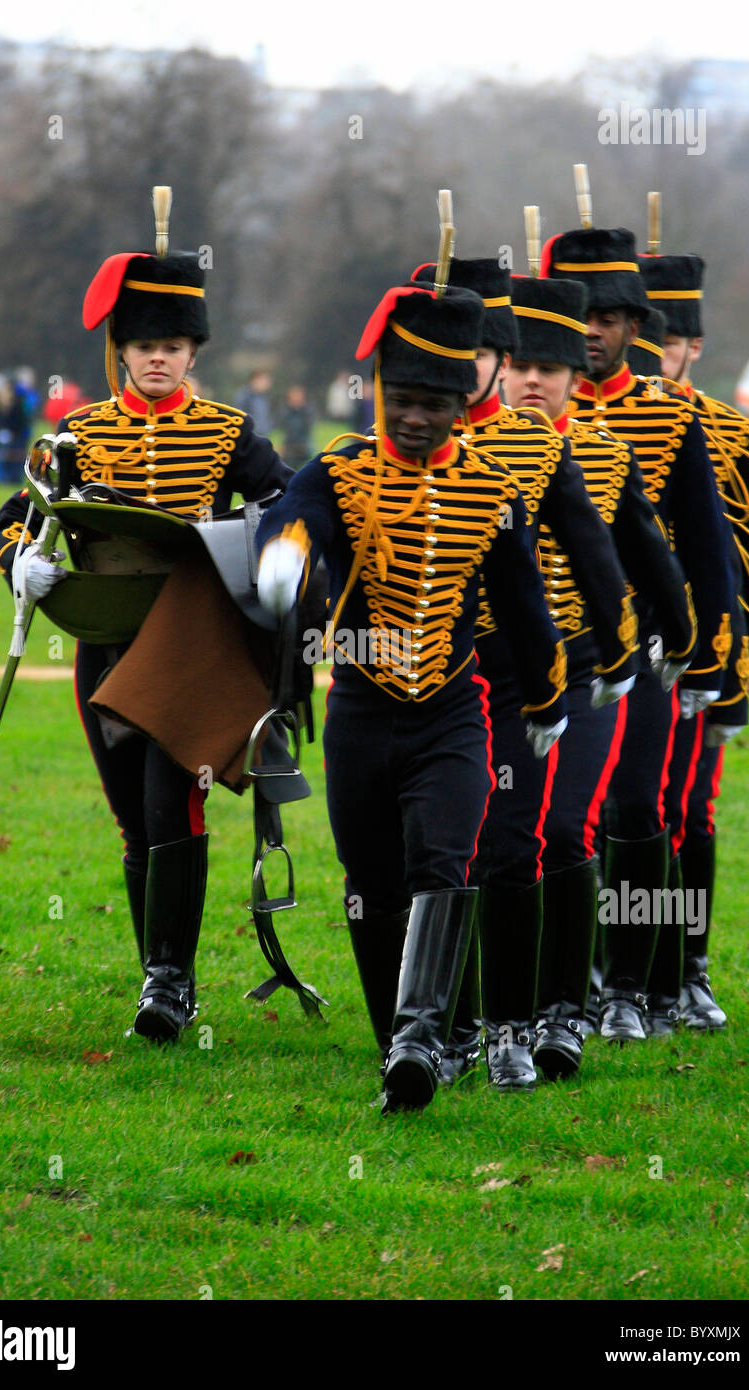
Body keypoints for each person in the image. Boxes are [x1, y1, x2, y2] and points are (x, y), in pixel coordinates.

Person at [255, 282, 568, 1113]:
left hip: (453, 712)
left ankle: (421, 1037)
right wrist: (285, 556)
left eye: (435, 403)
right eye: (403, 400)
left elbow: (525, 600)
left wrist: (547, 696)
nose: (416, 418)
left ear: (462, 405)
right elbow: (298, 512)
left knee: (442, 860)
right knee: (371, 880)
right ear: (380, 394)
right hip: (360, 711)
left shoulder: (491, 489)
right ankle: (408, 1033)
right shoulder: (344, 468)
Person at [0, 222, 292, 1045]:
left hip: (194, 649)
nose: (158, 358)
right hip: (106, 641)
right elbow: (15, 520)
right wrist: (21, 561)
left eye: (173, 344)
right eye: (143, 343)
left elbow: (289, 505)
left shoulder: (230, 431)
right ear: (121, 351)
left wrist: (263, 552)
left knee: (173, 807)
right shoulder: (78, 432)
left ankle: (171, 982)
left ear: (194, 353)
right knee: (132, 818)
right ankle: (157, 971)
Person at [410, 258, 637, 1091]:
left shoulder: (542, 448)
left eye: (540, 365)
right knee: (446, 853)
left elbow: (608, 551)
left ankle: (549, 1013)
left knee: (540, 837)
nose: (520, 378)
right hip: (441, 671)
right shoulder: (398, 446)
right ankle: (447, 1023)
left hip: (546, 670)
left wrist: (622, 651)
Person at [501, 273, 697, 1077]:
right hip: (491, 675)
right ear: (498, 370)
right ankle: (476, 1015)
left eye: (552, 368)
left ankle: (576, 1007)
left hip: (590, 668)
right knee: (492, 846)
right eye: (522, 366)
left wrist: (684, 642)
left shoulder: (602, 452)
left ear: (574, 377)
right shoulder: (460, 455)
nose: (536, 380)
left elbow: (645, 558)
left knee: (572, 827)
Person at [545, 225, 735, 1042]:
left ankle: (635, 983)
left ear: (633, 325)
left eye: (611, 315)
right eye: (581, 312)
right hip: (550, 642)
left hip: (650, 646)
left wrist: (711, 656)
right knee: (554, 822)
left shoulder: (668, 415)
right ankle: (569, 981)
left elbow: (705, 546)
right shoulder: (533, 409)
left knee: (638, 809)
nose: (593, 328)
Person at [637, 248, 749, 1031]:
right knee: (618, 810)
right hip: (621, 640)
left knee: (690, 809)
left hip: (704, 642)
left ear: (693, 345)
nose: (659, 354)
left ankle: (687, 966)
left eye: (670, 340)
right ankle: (619, 967)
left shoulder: (725, 428)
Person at [279, 384, 313, 468]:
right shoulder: (285, 411)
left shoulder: (307, 412)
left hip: (303, 446)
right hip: (289, 446)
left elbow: (308, 429)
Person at [236, 370, 273, 436]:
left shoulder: (264, 397)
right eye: (264, 381)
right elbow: (240, 415)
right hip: (250, 435)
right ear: (255, 380)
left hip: (263, 435)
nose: (267, 384)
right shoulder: (245, 395)